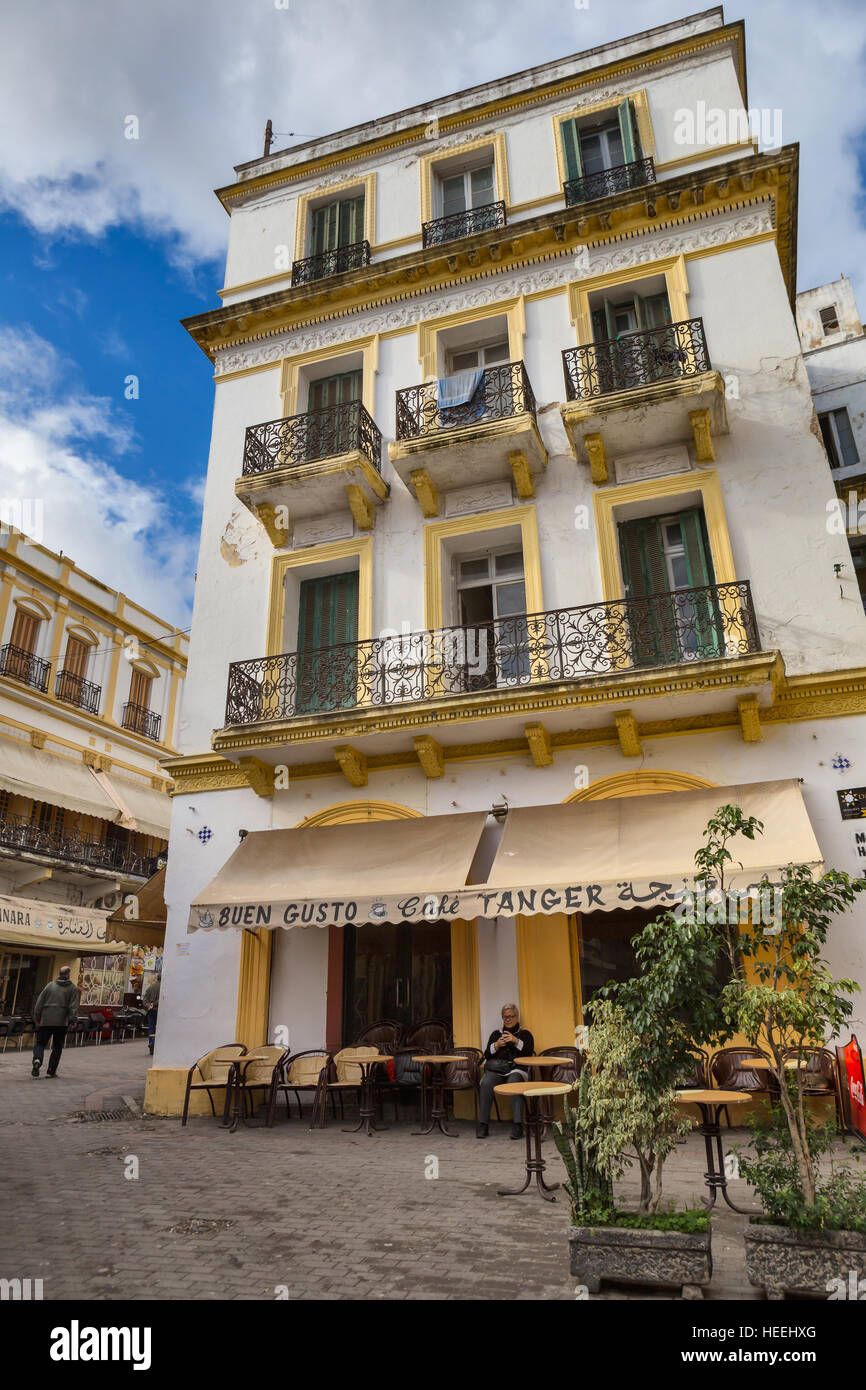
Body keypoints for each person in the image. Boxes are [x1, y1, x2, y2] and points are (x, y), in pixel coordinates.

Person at [476, 1003, 535, 1140]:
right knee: (486, 1082)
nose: (508, 1019)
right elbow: (487, 1055)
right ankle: (483, 1124)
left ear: (517, 1016)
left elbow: (529, 1051)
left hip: (517, 1070)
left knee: (514, 1081)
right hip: (497, 1070)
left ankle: (518, 1125)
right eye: (505, 1017)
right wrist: (496, 1045)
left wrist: (515, 1041)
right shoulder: (496, 1034)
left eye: (511, 1016)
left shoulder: (525, 1034)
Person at [31, 964, 79, 1077]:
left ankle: (37, 1060)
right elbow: (73, 1007)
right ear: (68, 975)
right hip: (61, 1023)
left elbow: (39, 1003)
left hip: (46, 1021)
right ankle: (51, 1070)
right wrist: (73, 1020)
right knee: (57, 1046)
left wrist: (37, 1018)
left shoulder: (50, 985)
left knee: (40, 1043)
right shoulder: (72, 988)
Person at [141, 972, 161, 1055]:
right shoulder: (163, 988)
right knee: (160, 1029)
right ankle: (157, 1046)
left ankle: (151, 1043)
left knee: (151, 1028)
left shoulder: (150, 988)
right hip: (160, 1011)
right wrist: (155, 1004)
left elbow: (144, 1000)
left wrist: (149, 1005)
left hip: (151, 1011)